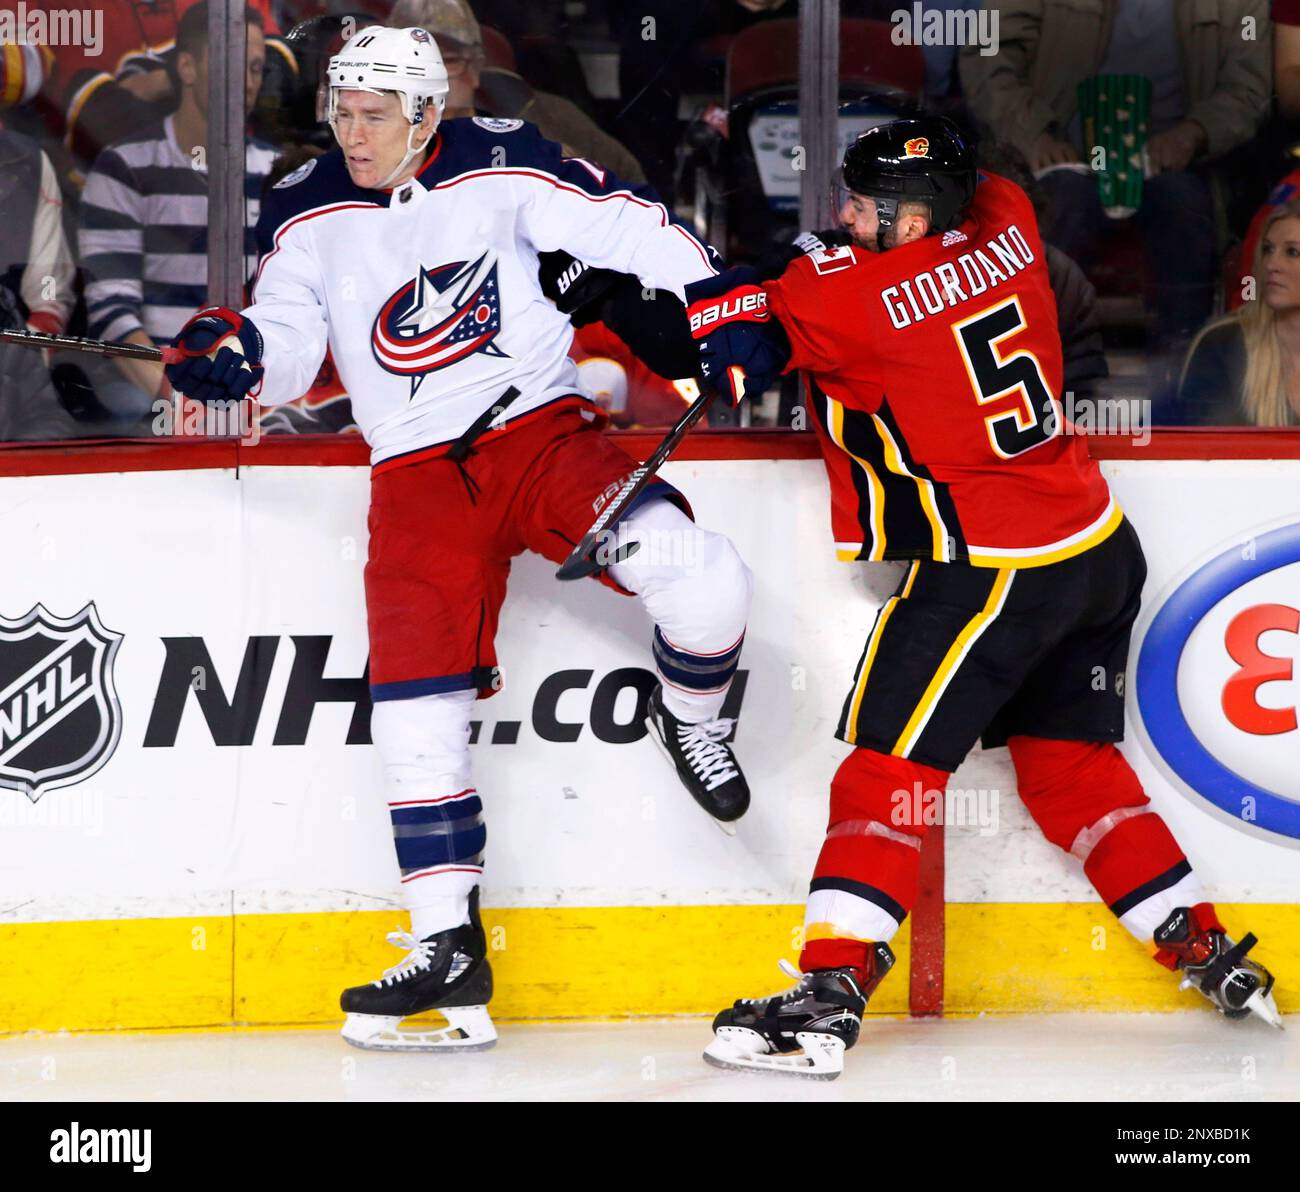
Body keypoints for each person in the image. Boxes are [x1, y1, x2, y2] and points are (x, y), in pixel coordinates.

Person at [162, 25, 754, 1052]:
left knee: (702, 581)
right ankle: (446, 944)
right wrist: (243, 354)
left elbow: (630, 226)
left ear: (427, 111)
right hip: (416, 478)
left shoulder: (503, 155)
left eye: (373, 114)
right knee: (412, 709)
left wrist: (713, 299)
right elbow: (296, 338)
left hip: (541, 440)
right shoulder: (304, 204)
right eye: (340, 112)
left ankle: (694, 716)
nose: (352, 132)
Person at [682, 116, 1280, 1079]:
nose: (843, 216)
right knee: (1070, 770)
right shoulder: (1008, 217)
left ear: (915, 219)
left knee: (885, 773)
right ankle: (1201, 946)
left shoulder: (848, 302)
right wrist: (788, 281)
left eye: (864, 206)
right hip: (1093, 546)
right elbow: (899, 222)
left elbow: (729, 326)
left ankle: (827, 996)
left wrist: (735, 323)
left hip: (993, 567)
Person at [78, 2, 276, 421]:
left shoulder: (278, 174)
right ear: (186, 67)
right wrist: (185, 402)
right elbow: (113, 314)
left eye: (256, 68)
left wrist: (255, 400)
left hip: (258, 391)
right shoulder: (124, 168)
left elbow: (292, 312)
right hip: (155, 388)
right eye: (231, 63)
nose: (246, 81)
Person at [1182, 199, 1300, 426]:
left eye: (1292, 252)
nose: (1271, 264)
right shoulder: (1222, 344)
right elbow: (1199, 453)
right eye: (1267, 250)